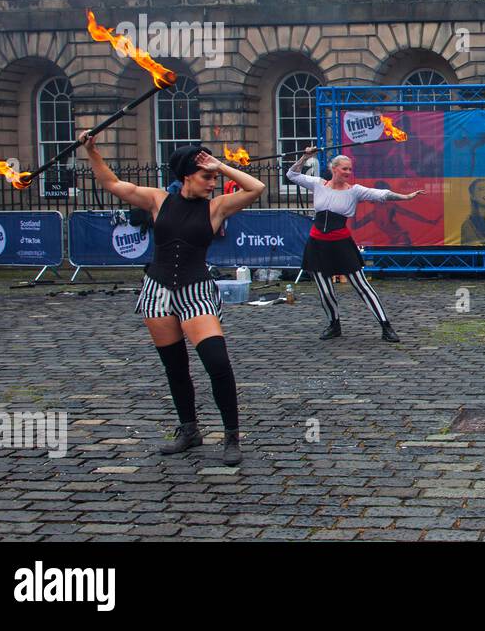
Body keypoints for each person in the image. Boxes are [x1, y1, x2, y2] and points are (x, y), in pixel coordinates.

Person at [81, 132, 266, 465]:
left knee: (218, 363)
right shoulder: (157, 200)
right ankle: (189, 430)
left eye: (213, 177)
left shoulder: (216, 207)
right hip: (158, 290)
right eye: (206, 177)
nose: (212, 183)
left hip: (196, 291)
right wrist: (92, 151)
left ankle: (231, 436)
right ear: (185, 177)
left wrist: (221, 166)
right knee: (175, 367)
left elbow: (257, 189)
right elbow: (111, 183)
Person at [287, 148, 424, 342]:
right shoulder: (318, 184)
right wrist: (305, 157)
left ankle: (386, 326)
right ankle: (334, 324)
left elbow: (381, 194)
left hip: (341, 244)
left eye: (350, 169)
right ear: (334, 169)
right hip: (317, 245)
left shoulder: (354, 191)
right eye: (344, 169)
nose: (348, 173)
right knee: (325, 290)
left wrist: (406, 197)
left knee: (362, 286)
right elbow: (291, 174)